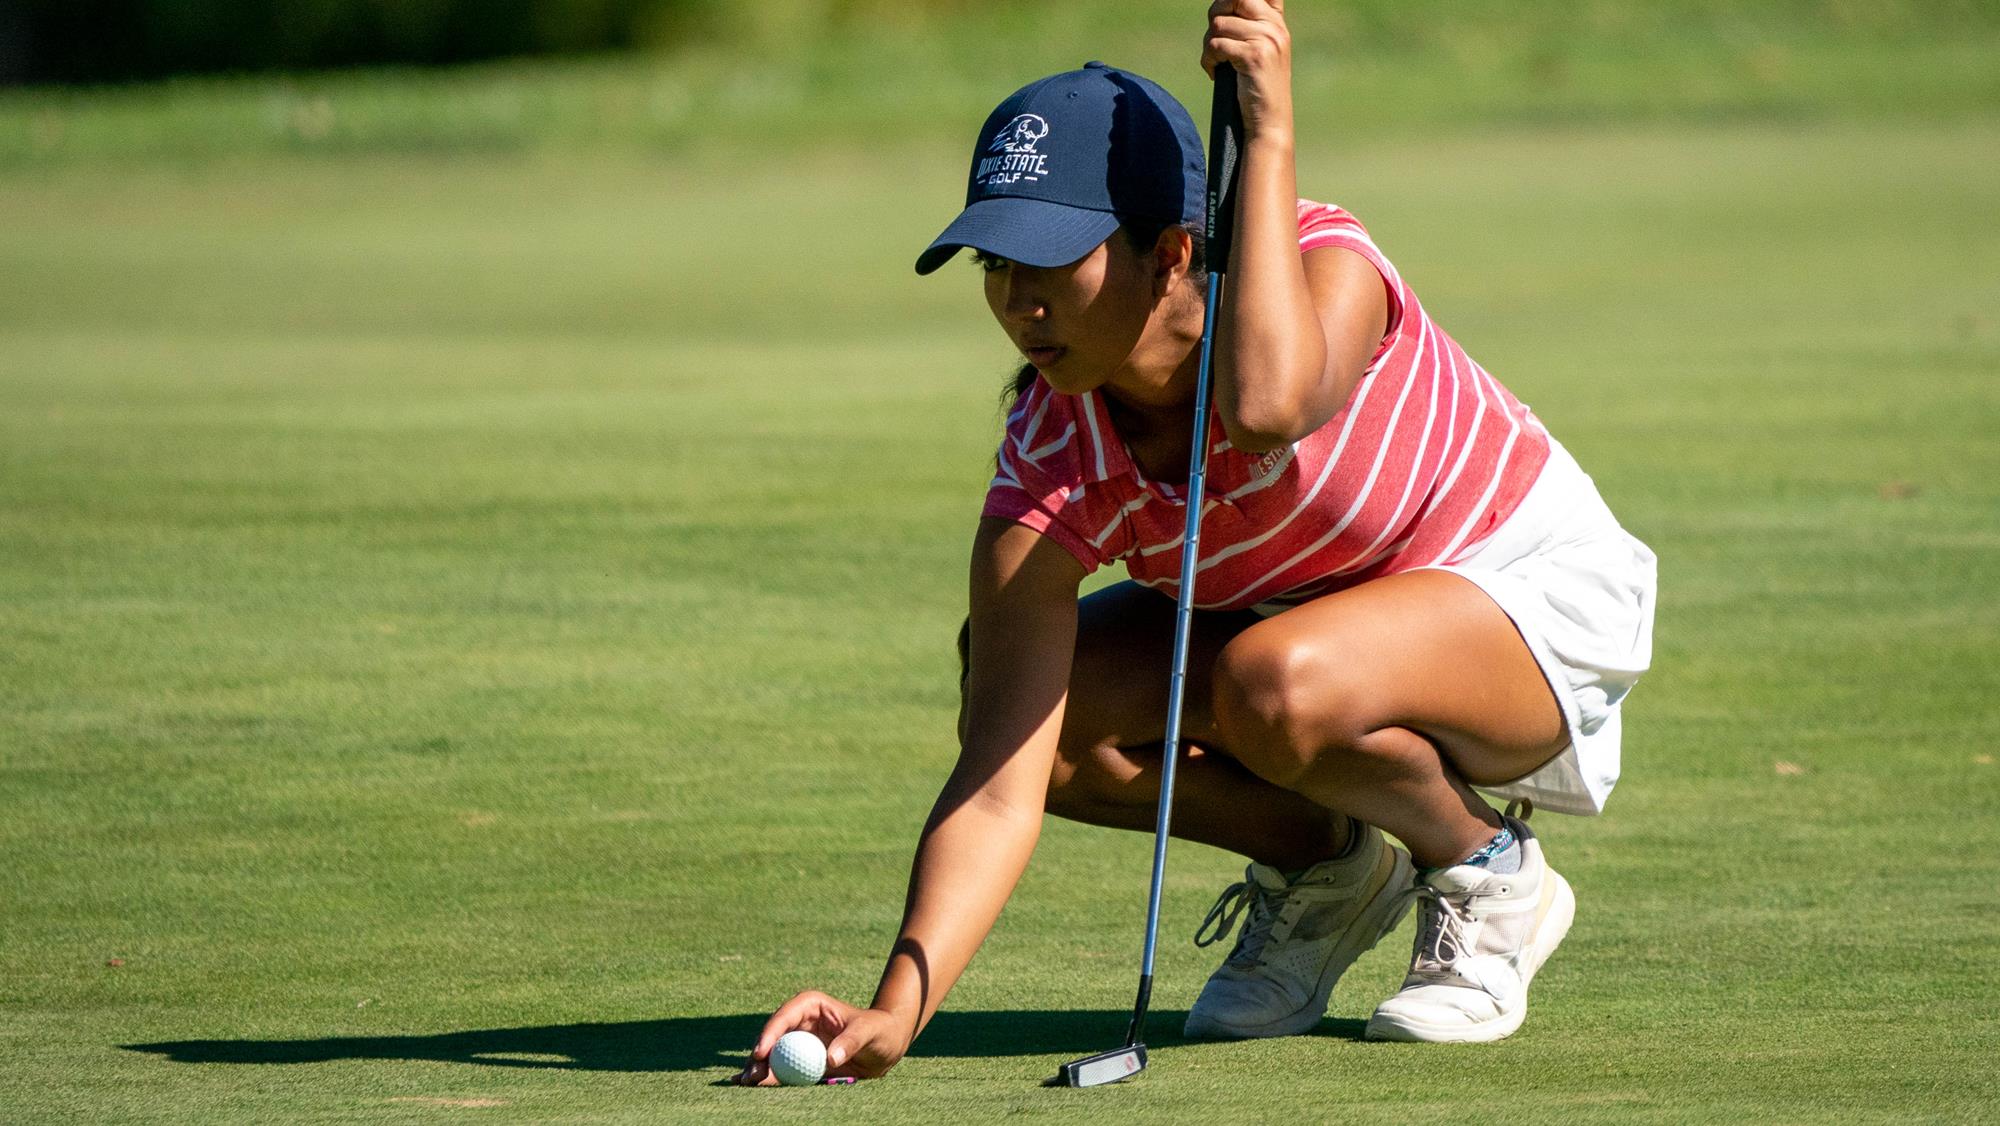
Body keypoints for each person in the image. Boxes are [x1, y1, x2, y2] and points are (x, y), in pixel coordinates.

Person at [737, 0, 1655, 1084]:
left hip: (1524, 594)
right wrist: (899, 1005)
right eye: (995, 263)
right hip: (1306, 627)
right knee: (1028, 698)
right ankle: (1325, 864)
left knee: (1273, 682)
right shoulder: (1050, 445)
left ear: (1172, 251)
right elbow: (998, 780)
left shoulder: (1324, 263)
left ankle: (1486, 865)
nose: (1019, 303)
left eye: (1052, 261)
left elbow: (1265, 406)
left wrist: (1266, 127)